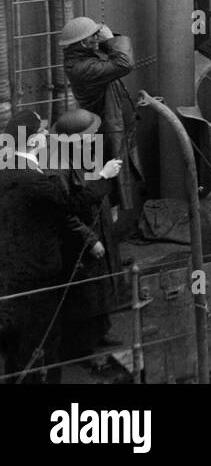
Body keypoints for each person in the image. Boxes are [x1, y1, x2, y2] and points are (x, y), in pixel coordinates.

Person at [0, 112, 103, 383]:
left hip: (10, 278)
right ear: (33, 142)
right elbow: (72, 206)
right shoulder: (37, 182)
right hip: (37, 281)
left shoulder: (7, 171)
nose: (47, 136)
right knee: (42, 347)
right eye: (43, 132)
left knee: (17, 350)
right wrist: (102, 177)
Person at [50, 109, 123, 363]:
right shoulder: (59, 167)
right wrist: (90, 241)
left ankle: (100, 333)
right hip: (82, 240)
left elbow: (92, 192)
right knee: (83, 295)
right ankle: (81, 350)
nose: (93, 138)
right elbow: (67, 212)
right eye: (88, 135)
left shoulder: (81, 155)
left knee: (100, 287)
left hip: (98, 227)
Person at [60, 17, 134, 208]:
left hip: (106, 127)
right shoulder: (82, 68)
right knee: (112, 182)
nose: (97, 38)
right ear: (84, 42)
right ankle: (109, 227)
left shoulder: (81, 58)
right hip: (106, 130)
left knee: (114, 179)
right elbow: (124, 64)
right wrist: (110, 40)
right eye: (94, 36)